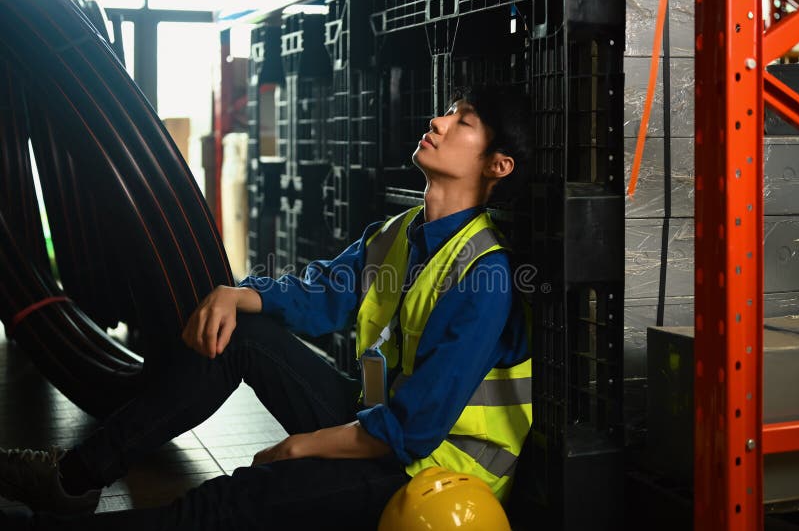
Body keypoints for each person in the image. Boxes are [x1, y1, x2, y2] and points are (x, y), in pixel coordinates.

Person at [0, 84, 533, 530]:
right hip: (380, 430)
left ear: (498, 165)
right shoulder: (400, 235)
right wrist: (240, 293)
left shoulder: (486, 275)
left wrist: (302, 447)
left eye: (462, 122)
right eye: (448, 112)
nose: (438, 122)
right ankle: (72, 479)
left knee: (235, 500)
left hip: (432, 477)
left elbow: (416, 430)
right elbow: (324, 292)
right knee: (244, 332)